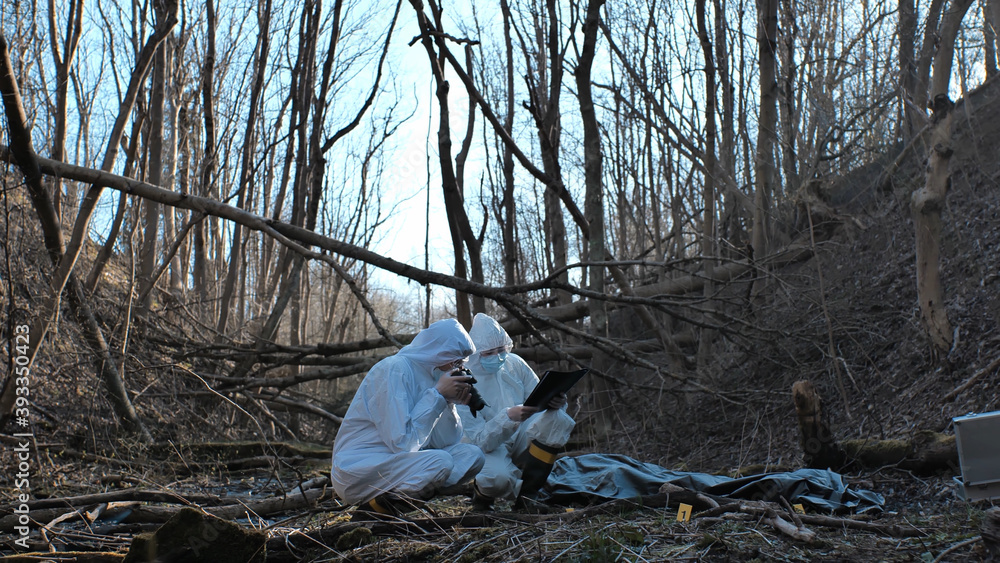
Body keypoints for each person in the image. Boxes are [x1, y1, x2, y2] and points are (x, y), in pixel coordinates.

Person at [331, 319, 486, 517]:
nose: (458, 368)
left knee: (472, 456)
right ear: (437, 351)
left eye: (462, 363)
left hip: (396, 463)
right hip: (359, 468)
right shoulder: (394, 369)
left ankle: (392, 504)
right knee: (441, 462)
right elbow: (403, 442)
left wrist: (448, 403)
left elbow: (445, 442)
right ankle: (373, 514)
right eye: (455, 361)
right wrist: (437, 396)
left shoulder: (435, 375)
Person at [458, 313, 576, 510]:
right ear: (476, 354)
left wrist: (554, 401)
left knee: (558, 419)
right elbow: (478, 440)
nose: (497, 356)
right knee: (497, 478)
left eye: (501, 349)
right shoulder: (463, 380)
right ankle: (482, 498)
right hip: (485, 448)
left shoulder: (514, 363)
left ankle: (528, 498)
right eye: (489, 352)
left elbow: (539, 393)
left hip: (519, 434)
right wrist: (507, 417)